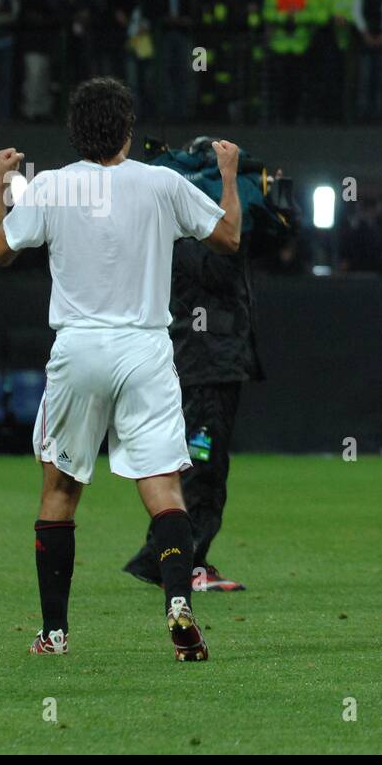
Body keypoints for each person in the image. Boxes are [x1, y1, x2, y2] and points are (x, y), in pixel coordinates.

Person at [0, 77, 242, 660]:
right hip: (145, 348)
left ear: (75, 130)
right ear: (126, 127)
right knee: (165, 488)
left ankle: (54, 634)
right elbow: (227, 237)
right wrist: (227, 174)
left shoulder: (51, 186)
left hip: (78, 350)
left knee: (60, 489)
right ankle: (178, 603)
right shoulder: (159, 183)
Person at [122, 148, 264, 593]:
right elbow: (225, 262)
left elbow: (277, 232)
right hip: (201, 364)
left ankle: (162, 558)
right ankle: (185, 563)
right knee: (201, 469)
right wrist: (226, 179)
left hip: (212, 361)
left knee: (201, 466)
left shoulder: (178, 229)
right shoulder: (184, 234)